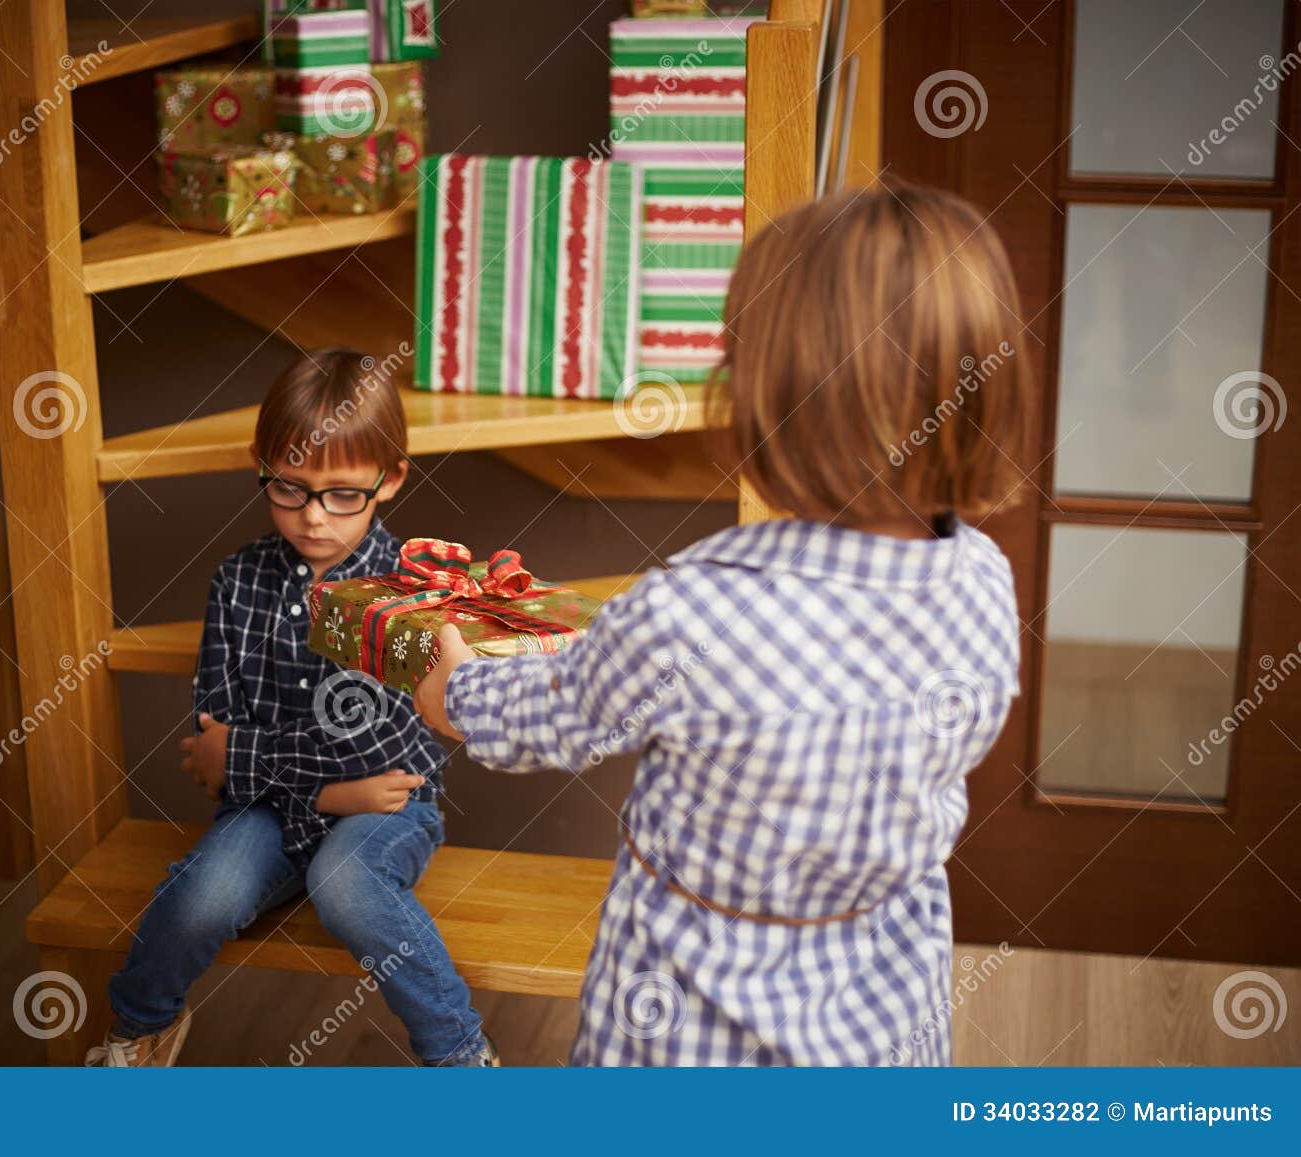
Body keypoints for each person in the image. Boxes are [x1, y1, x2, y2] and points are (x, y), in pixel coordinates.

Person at [415, 185, 1029, 1065]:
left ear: (776, 403)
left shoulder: (692, 611)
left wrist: (459, 691)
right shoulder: (983, 579)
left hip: (690, 1025)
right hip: (884, 1007)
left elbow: (562, 712)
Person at [87, 348, 496, 1067]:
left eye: (342, 495)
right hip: (268, 810)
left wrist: (249, 757)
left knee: (347, 884)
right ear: (262, 467)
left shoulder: (409, 592)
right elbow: (211, 735)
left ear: (390, 478)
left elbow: (377, 747)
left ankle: (461, 1056)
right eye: (289, 488)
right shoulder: (237, 580)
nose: (312, 517)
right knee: (205, 892)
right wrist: (328, 789)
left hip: (389, 808)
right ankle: (141, 1029)